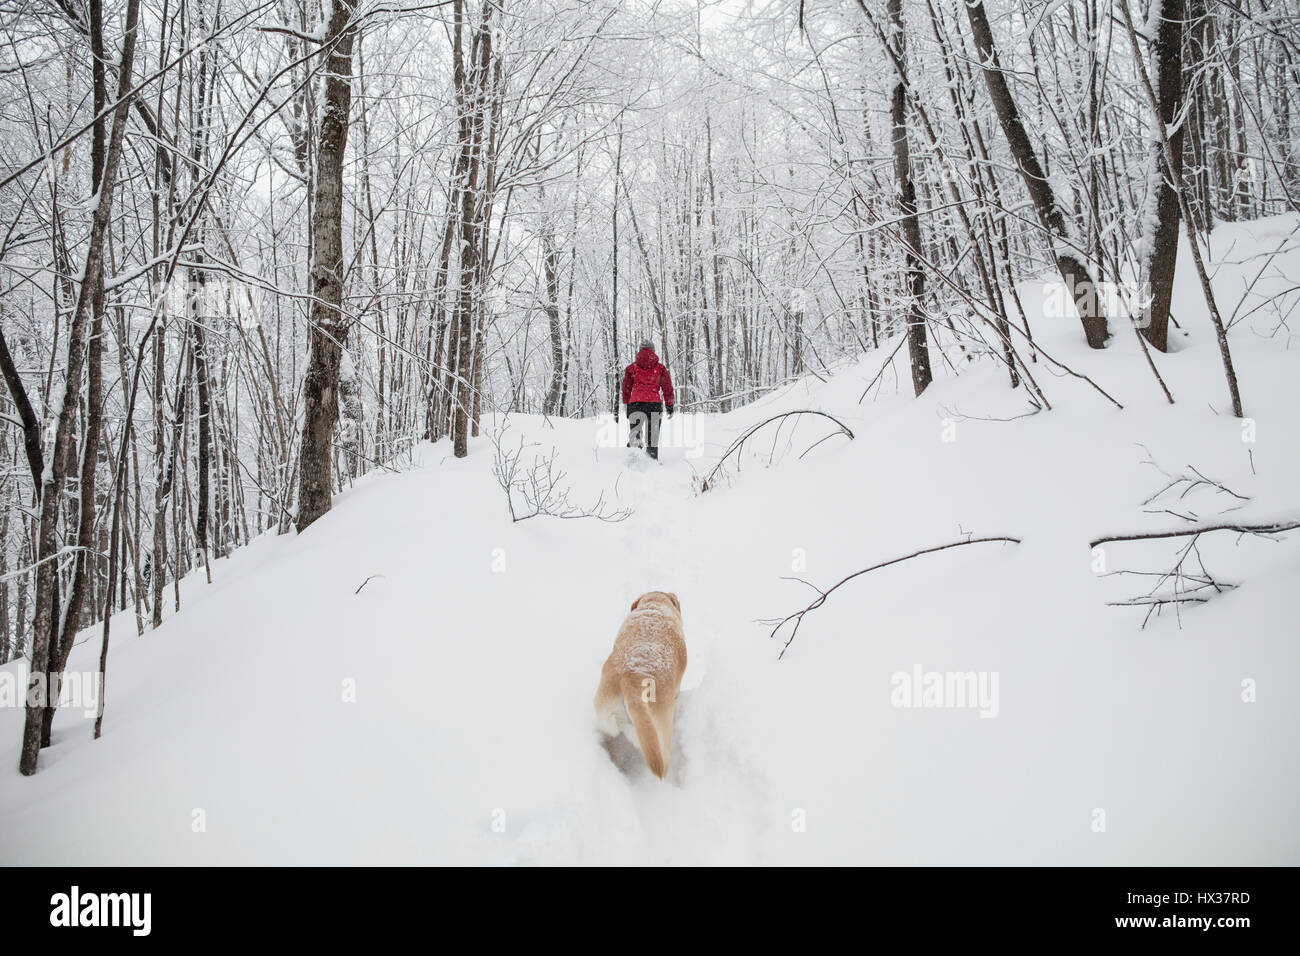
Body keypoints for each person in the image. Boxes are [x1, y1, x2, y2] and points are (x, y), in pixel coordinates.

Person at [620, 338, 674, 460]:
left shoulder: (631, 368)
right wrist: (669, 405)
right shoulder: (660, 368)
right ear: (653, 351)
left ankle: (634, 462)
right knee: (652, 440)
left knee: (635, 436)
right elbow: (667, 387)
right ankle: (652, 462)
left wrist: (626, 404)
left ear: (639, 351)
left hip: (636, 404)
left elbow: (626, 388)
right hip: (654, 404)